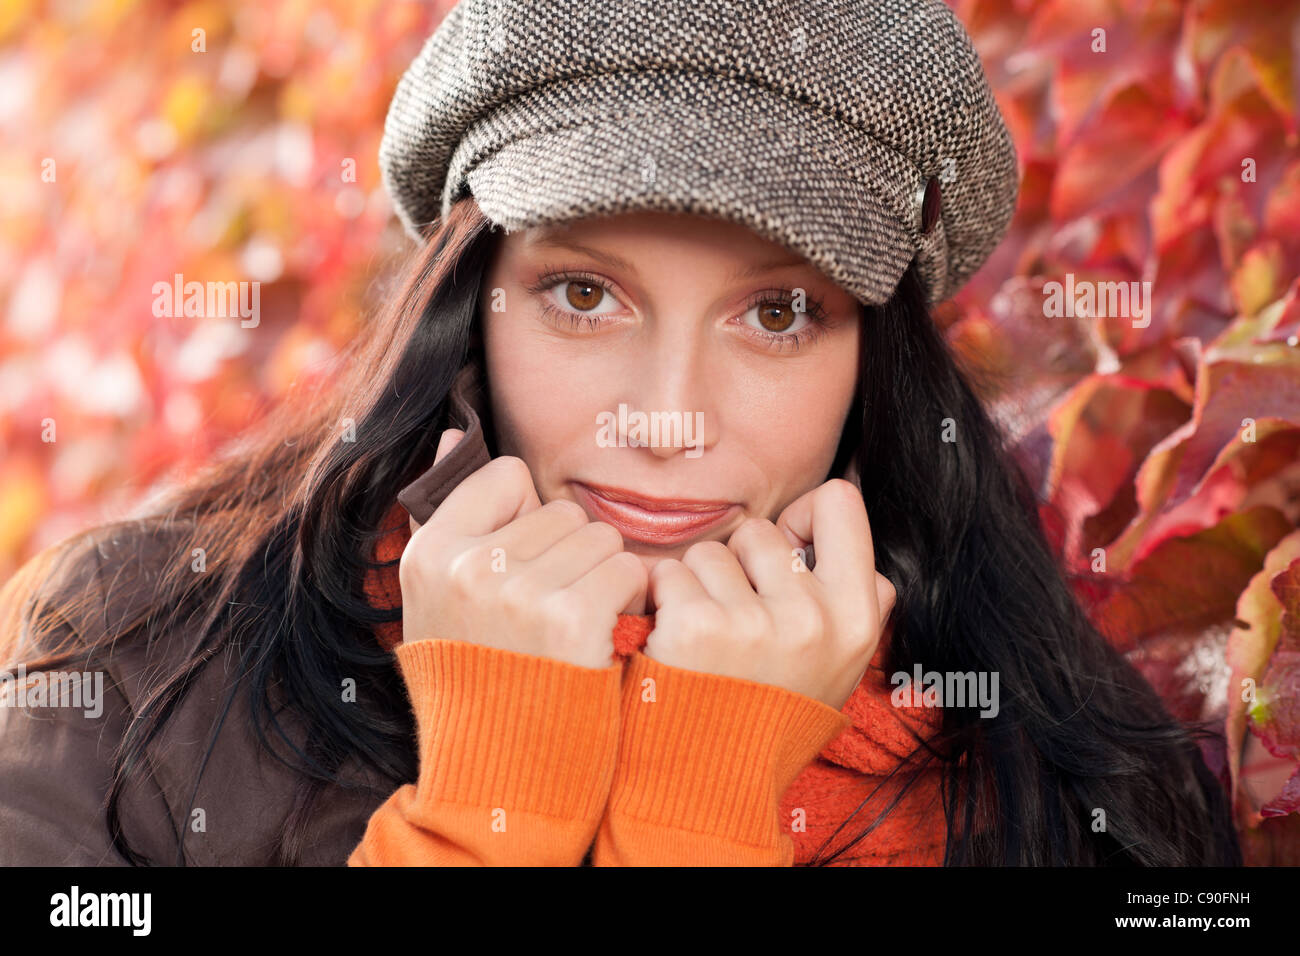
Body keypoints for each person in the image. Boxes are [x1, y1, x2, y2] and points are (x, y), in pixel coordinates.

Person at [0, 0, 1240, 866]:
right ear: (468, 309)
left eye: (777, 311)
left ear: (875, 355)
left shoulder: (1057, 781)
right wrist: (489, 809)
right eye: (583, 295)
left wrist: (699, 808)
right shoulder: (138, 667)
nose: (668, 417)